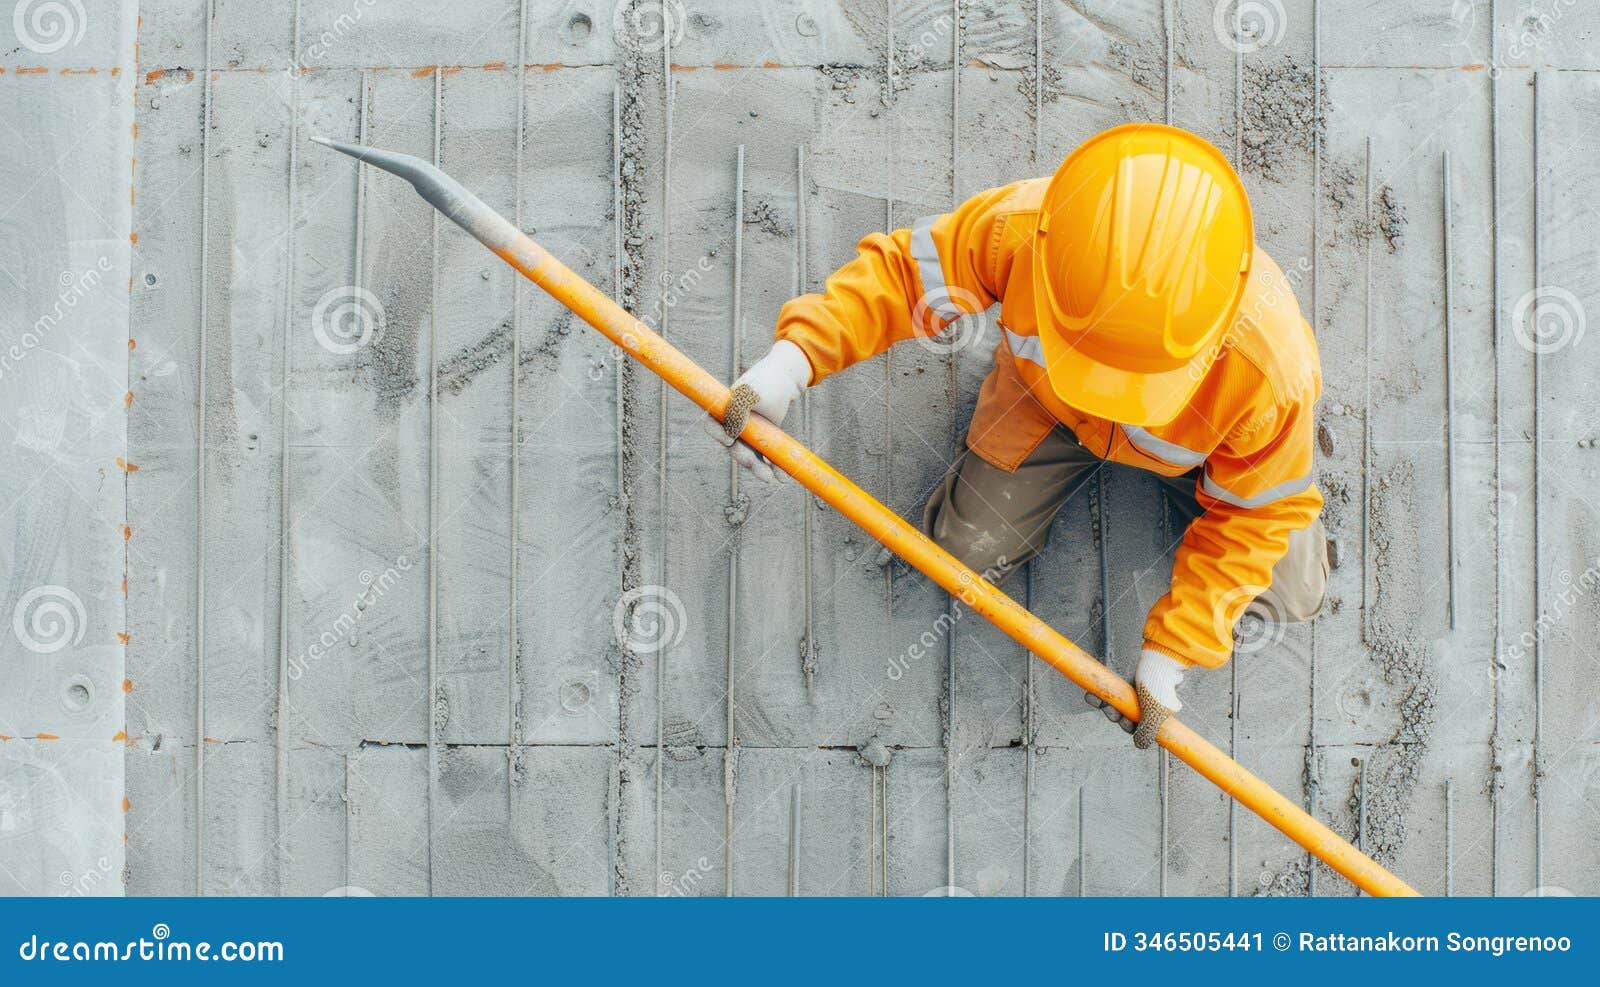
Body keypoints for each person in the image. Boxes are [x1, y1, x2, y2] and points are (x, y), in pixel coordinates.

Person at [706, 123, 1327, 749]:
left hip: (1200, 455)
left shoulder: (1270, 372)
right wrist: (793, 361)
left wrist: (1173, 651)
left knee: (1291, 590)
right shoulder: (1029, 229)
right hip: (1046, 407)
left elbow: (1256, 519)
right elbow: (902, 276)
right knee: (967, 549)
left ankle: (1223, 483)